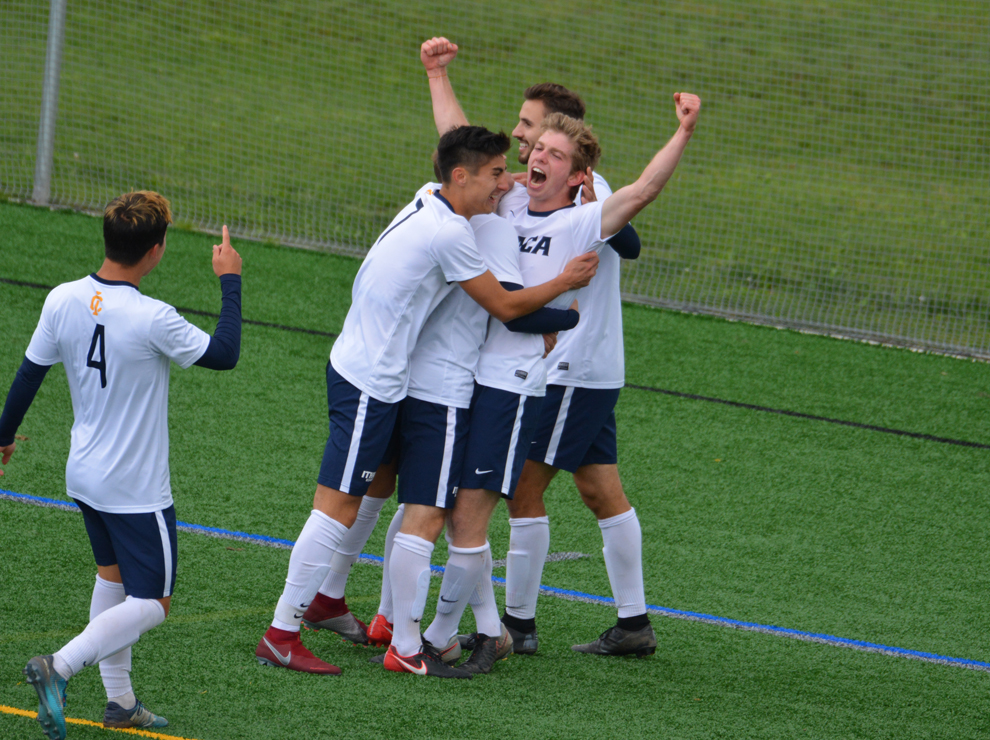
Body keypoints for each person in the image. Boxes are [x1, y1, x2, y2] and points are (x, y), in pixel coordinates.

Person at [255, 125, 598, 677]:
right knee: (339, 507)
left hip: (366, 369)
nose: (503, 184)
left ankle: (347, 612)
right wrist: (566, 292)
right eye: (494, 174)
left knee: (377, 497)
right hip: (373, 380)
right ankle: (284, 632)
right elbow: (507, 309)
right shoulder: (451, 236)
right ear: (460, 176)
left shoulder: (427, 197)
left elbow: (472, 174)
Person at [420, 36, 701, 657]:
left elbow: (640, 198)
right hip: (564, 367)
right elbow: (457, 141)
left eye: (538, 136)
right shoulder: (510, 191)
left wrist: (683, 130)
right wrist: (438, 75)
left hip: (567, 369)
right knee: (600, 487)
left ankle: (515, 625)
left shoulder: (584, 205)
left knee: (519, 486)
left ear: (577, 171)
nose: (527, 146)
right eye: (531, 139)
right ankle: (634, 623)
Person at [0, 191, 243, 740]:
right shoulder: (154, 317)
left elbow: (27, 376)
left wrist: (3, 439)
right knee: (154, 601)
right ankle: (58, 667)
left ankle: (120, 701)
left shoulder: (61, 298)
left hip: (83, 475)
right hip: (135, 489)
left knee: (111, 578)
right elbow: (224, 354)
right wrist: (230, 278)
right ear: (155, 251)